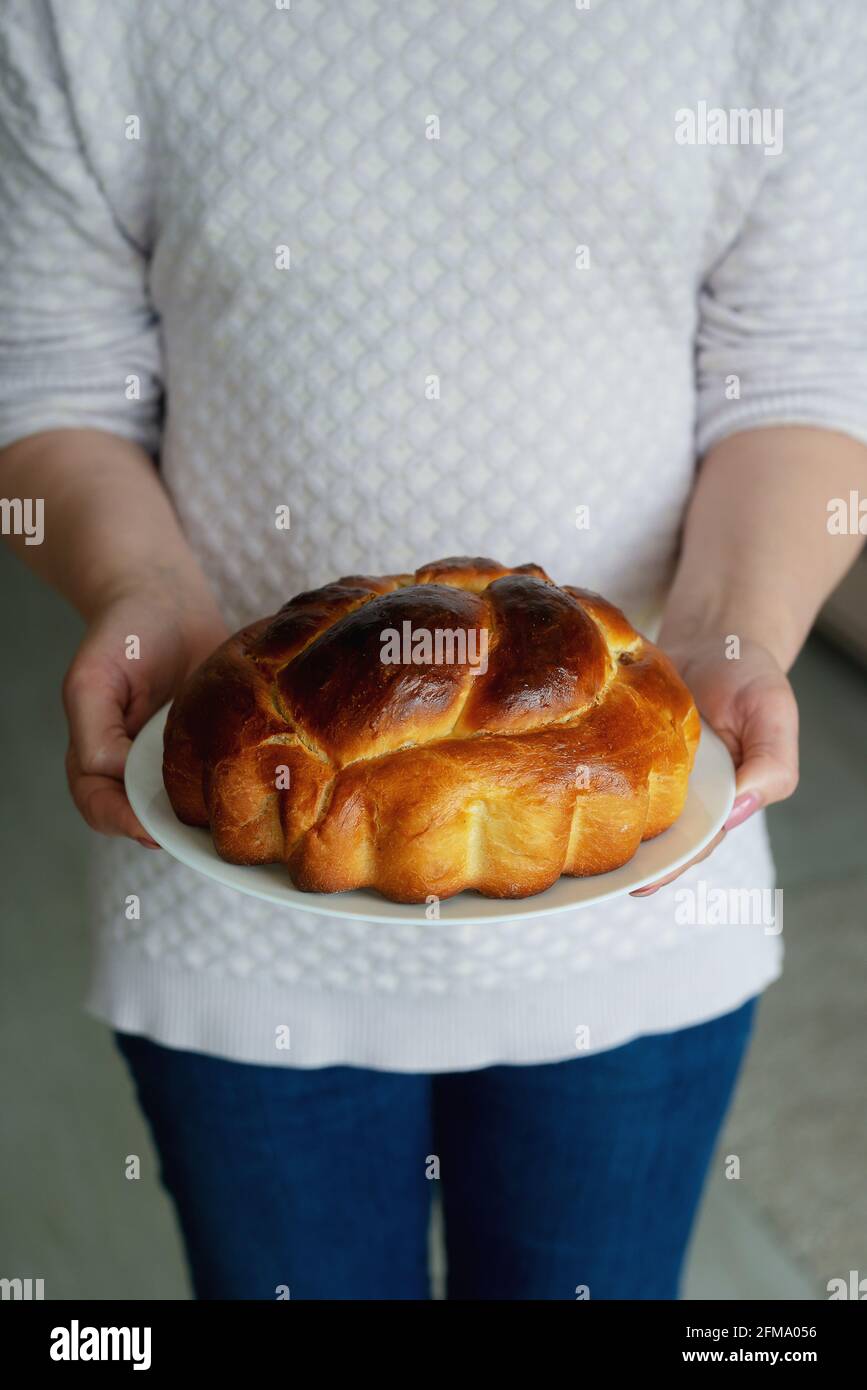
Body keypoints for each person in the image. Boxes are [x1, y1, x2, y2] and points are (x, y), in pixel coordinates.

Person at [1, 0, 865, 1301]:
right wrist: (136, 585)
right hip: (239, 878)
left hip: (642, 884)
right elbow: (54, 377)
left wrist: (731, 630)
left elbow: (801, 369)